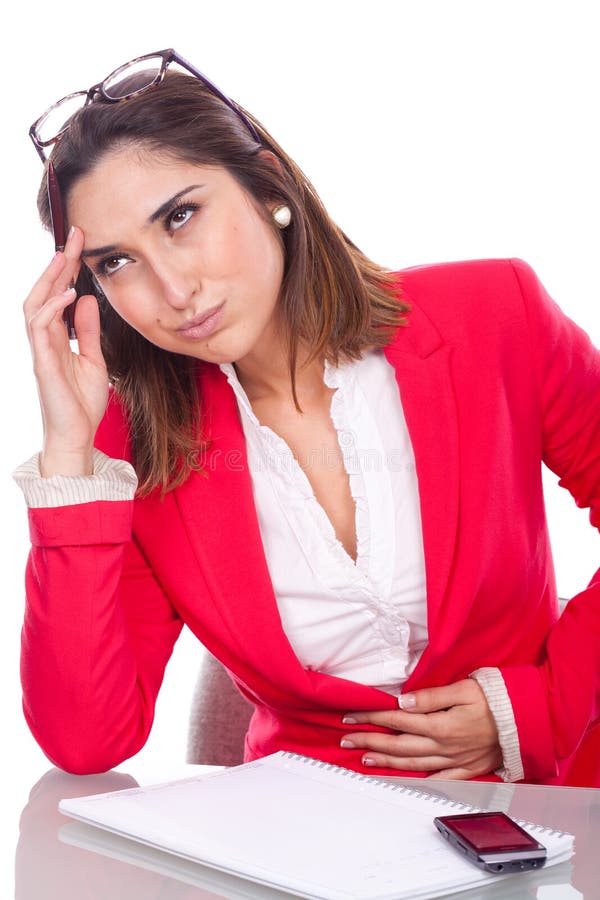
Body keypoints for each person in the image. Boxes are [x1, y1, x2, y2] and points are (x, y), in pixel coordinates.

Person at [15, 49, 600, 786]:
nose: (172, 288)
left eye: (181, 216)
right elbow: (86, 741)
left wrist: (535, 706)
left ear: (268, 187)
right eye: (116, 263)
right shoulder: (129, 446)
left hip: (553, 818)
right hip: (307, 844)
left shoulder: (495, 316)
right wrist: (69, 458)